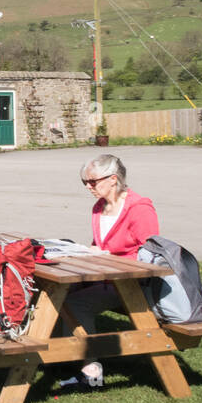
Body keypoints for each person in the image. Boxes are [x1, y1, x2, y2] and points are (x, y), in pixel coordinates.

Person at [59, 155, 159, 389]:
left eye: (92, 182)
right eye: (84, 182)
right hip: (105, 278)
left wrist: (108, 257)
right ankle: (61, 354)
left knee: (76, 304)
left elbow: (152, 255)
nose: (88, 187)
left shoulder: (139, 208)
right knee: (56, 292)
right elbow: (100, 245)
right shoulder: (98, 208)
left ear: (113, 179)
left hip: (134, 285)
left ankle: (91, 373)